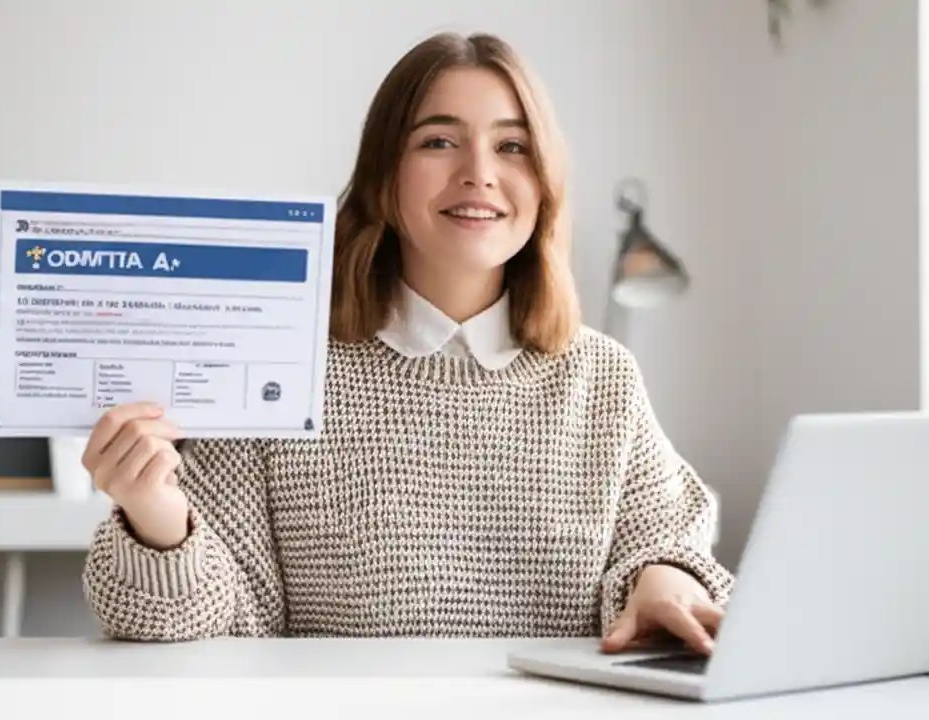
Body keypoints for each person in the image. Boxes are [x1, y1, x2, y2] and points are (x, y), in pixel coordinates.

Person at [80, 31, 734, 654]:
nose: (479, 172)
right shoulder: (281, 366)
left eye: (512, 147)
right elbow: (208, 619)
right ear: (384, 177)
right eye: (439, 141)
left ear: (544, 182)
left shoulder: (604, 377)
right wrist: (152, 513)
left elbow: (665, 544)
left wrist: (663, 588)